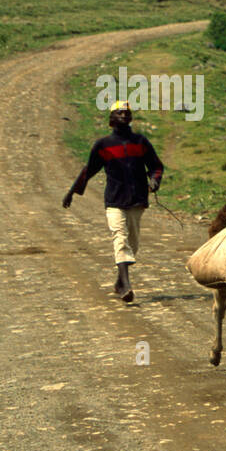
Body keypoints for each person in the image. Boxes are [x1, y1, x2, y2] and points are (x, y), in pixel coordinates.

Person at [62, 100, 164, 302]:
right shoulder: (103, 145)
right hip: (114, 201)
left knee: (132, 244)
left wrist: (154, 181)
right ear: (111, 119)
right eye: (119, 113)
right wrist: (72, 191)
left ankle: (119, 282)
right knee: (120, 237)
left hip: (137, 201)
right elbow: (89, 170)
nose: (124, 116)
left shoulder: (140, 142)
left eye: (127, 113)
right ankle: (126, 286)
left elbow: (156, 166)